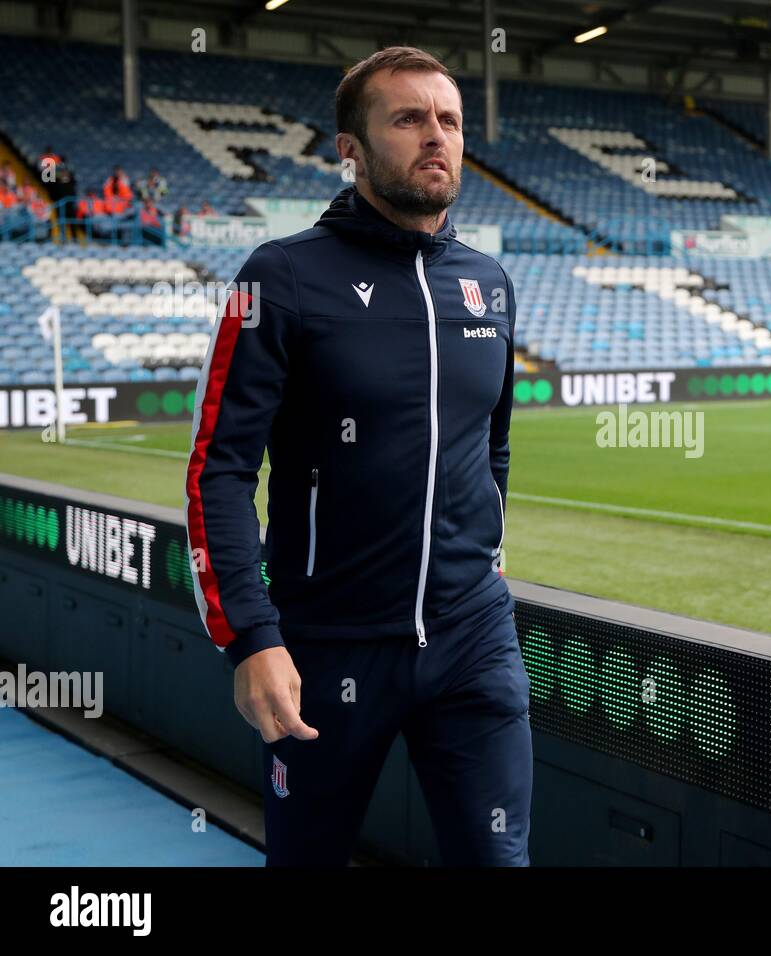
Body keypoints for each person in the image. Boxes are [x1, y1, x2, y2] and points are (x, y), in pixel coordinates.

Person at [183, 45, 529, 867]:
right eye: (408, 119)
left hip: (473, 634)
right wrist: (251, 638)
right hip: (324, 643)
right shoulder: (282, 276)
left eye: (447, 120)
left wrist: (482, 553)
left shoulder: (491, 285)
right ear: (350, 147)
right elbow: (217, 472)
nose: (435, 137)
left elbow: (495, 446)